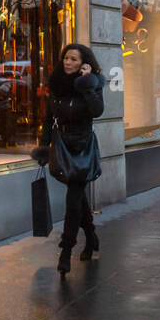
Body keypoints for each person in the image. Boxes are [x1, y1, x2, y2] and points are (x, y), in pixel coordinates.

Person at [31, 43, 105, 276]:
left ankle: (65, 251)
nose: (68, 62)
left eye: (73, 59)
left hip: (83, 147)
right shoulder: (57, 84)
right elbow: (48, 117)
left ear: (84, 63)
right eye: (65, 58)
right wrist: (43, 146)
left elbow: (97, 110)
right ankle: (91, 237)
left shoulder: (92, 84)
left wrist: (86, 84)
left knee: (73, 200)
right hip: (62, 146)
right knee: (78, 197)